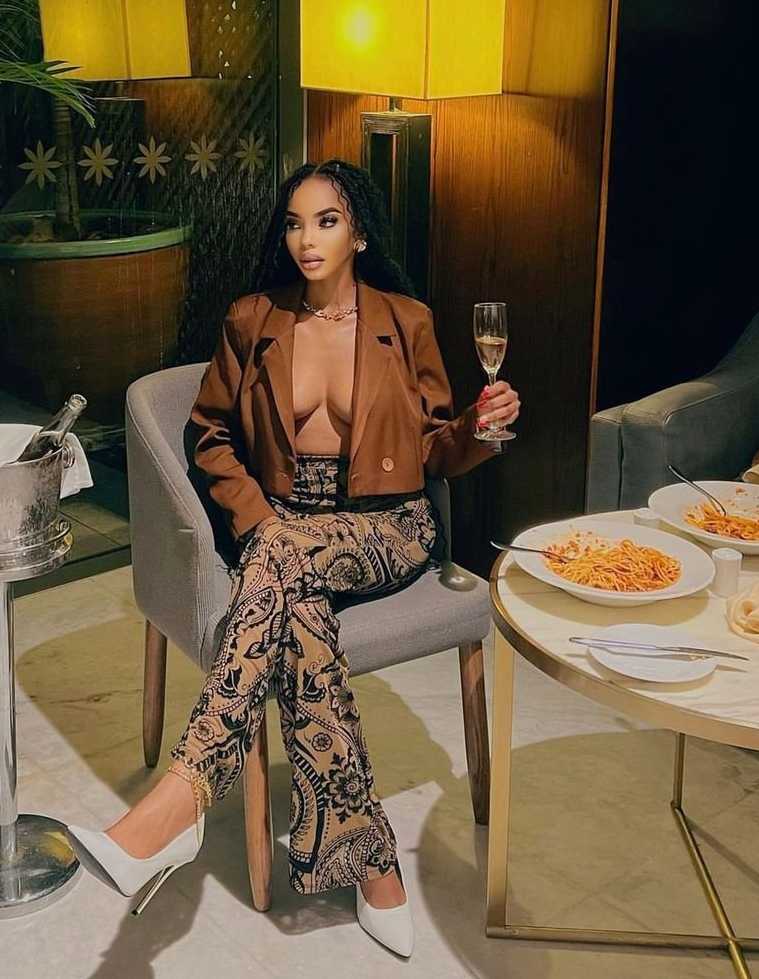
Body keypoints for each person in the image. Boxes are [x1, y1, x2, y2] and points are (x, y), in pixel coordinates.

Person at [69, 159, 520, 956]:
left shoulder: (405, 320)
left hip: (387, 525)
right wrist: (256, 520)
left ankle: (180, 798)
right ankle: (371, 861)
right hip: (285, 525)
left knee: (276, 566)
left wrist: (480, 433)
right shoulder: (254, 319)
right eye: (295, 222)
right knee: (297, 610)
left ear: (359, 234)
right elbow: (209, 435)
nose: (307, 239)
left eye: (327, 221)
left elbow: (433, 451)